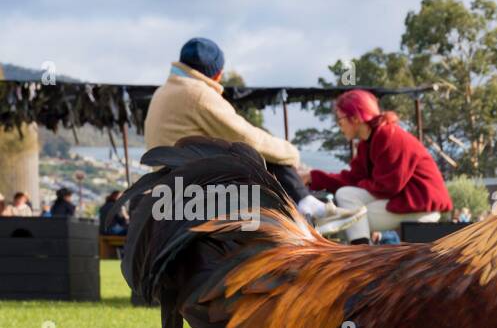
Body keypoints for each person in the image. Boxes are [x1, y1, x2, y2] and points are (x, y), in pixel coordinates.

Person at [144, 37, 357, 228]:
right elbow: (247, 137)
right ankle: (307, 205)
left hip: (168, 182)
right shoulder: (197, 93)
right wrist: (290, 152)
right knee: (268, 154)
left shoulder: (163, 92)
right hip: (196, 185)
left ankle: (305, 205)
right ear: (217, 74)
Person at [302, 89, 452, 244]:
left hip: (419, 206)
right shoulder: (368, 142)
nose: (339, 127)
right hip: (406, 202)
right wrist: (313, 177)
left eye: (340, 120)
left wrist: (362, 183)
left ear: (355, 118)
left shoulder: (389, 135)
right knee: (346, 199)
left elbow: (388, 186)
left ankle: (361, 255)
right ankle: (362, 251)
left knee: (349, 216)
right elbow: (353, 178)